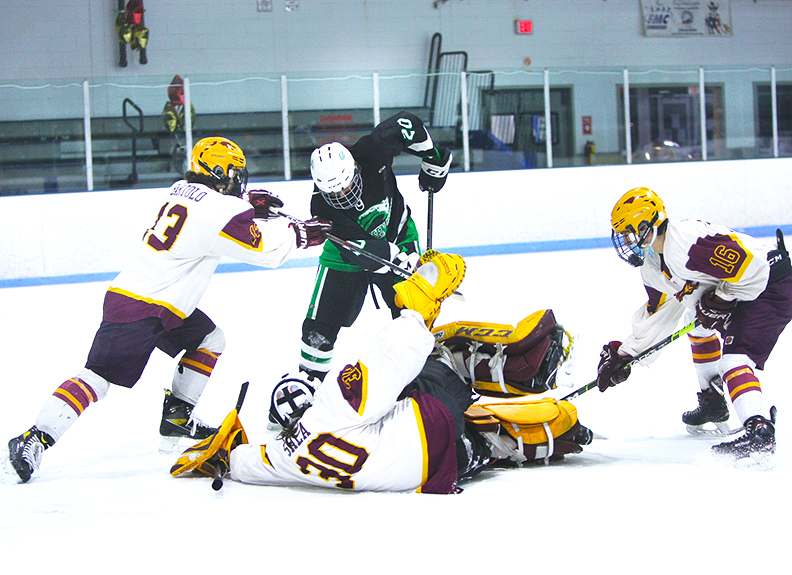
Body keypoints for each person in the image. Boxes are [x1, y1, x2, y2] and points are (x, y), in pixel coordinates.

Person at [2, 136, 331, 484]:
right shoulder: (220, 211)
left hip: (164, 304)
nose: (238, 180)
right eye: (234, 174)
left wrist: (251, 203)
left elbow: (214, 210)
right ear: (219, 171)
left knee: (210, 339)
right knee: (97, 379)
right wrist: (300, 233)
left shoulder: (181, 189)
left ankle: (178, 417)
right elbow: (263, 249)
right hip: (139, 305)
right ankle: (32, 439)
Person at [171, 252, 592, 493]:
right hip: (433, 424)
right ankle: (510, 365)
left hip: (442, 467)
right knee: (436, 353)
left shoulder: (283, 455)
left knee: (475, 435)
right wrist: (419, 303)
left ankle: (535, 440)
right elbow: (391, 359)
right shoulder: (330, 404)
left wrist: (227, 457)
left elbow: (249, 463)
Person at [596, 187, 792, 459]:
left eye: (629, 232)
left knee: (734, 362)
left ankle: (758, 431)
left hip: (772, 284)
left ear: (647, 225)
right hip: (746, 286)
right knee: (696, 321)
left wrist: (721, 298)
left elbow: (754, 270)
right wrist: (625, 353)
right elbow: (661, 313)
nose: (626, 240)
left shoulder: (690, 245)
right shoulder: (652, 263)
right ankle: (712, 401)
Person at [299, 111, 453, 382]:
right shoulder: (321, 207)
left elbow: (407, 124)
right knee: (318, 330)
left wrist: (432, 156)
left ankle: (424, 380)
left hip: (399, 234)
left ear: (355, 168)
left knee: (413, 318)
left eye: (345, 187)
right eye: (333, 193)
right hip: (345, 258)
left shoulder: (372, 151)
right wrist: (403, 260)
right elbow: (361, 252)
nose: (342, 196)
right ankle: (306, 388)